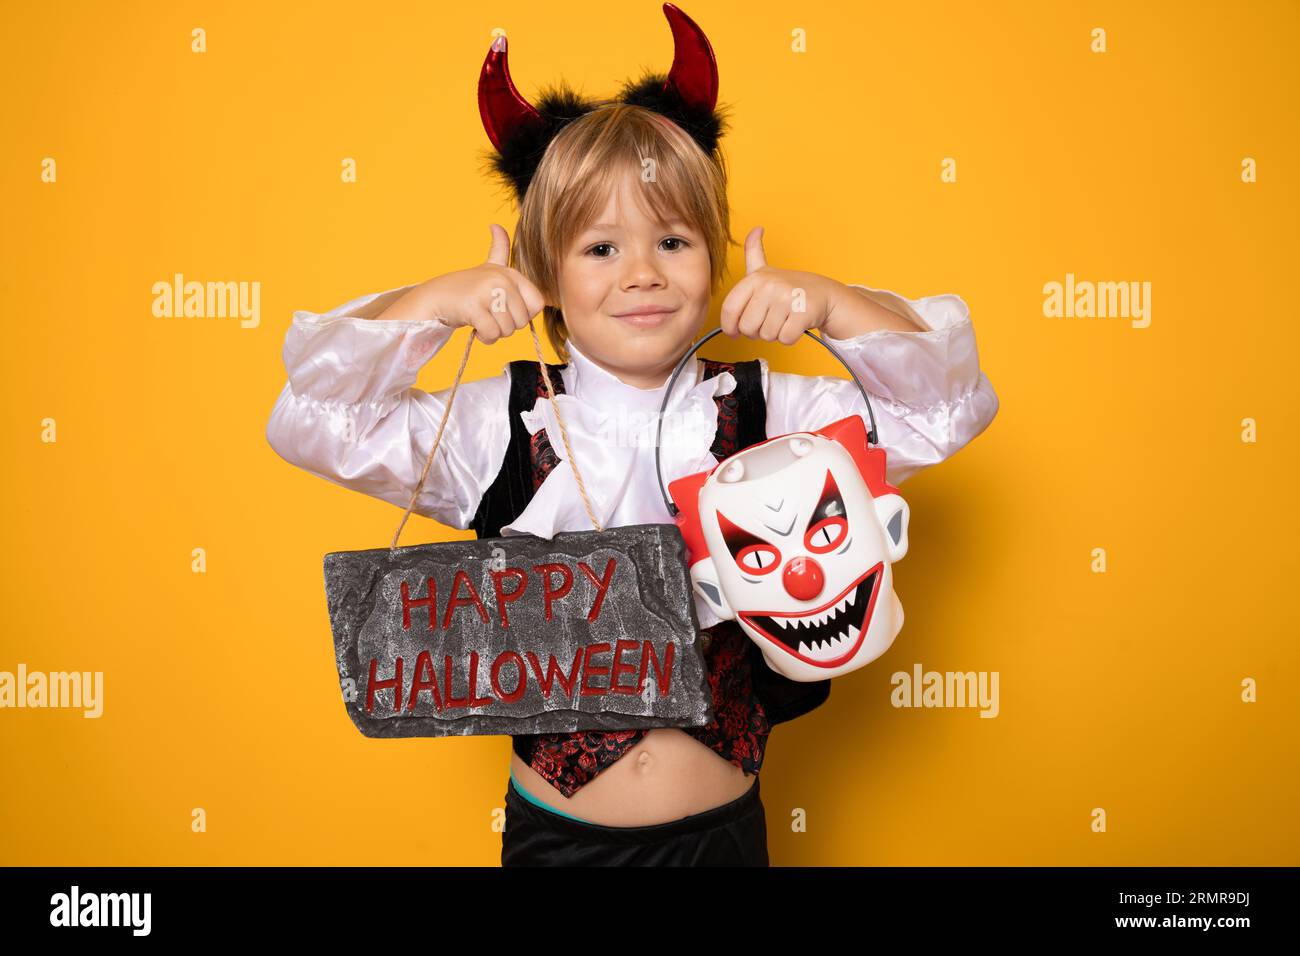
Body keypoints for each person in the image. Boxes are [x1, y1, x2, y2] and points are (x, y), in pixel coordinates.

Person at [265, 5, 999, 865]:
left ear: (714, 257)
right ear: (544, 272)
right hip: (559, 844)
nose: (643, 272)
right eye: (601, 247)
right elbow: (315, 421)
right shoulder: (498, 428)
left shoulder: (776, 421)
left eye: (673, 239)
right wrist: (431, 307)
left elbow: (943, 411)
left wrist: (834, 306)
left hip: (723, 838)